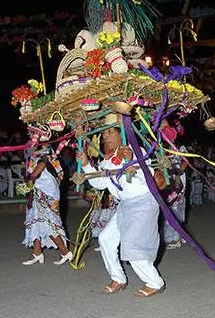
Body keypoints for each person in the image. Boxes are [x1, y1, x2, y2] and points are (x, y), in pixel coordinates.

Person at [78, 114, 165, 298]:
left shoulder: (136, 150)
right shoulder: (107, 161)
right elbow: (100, 184)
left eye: (110, 132)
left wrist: (134, 162)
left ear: (121, 134)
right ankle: (118, 278)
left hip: (144, 203)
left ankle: (155, 282)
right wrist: (86, 165)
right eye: (104, 133)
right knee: (105, 239)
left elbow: (149, 178)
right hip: (125, 206)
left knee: (132, 246)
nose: (105, 137)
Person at [21, 146, 72, 266]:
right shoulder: (37, 154)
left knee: (48, 223)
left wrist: (31, 177)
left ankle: (65, 252)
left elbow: (39, 167)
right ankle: (37, 253)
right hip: (40, 191)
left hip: (46, 193)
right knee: (35, 221)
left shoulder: (44, 153)